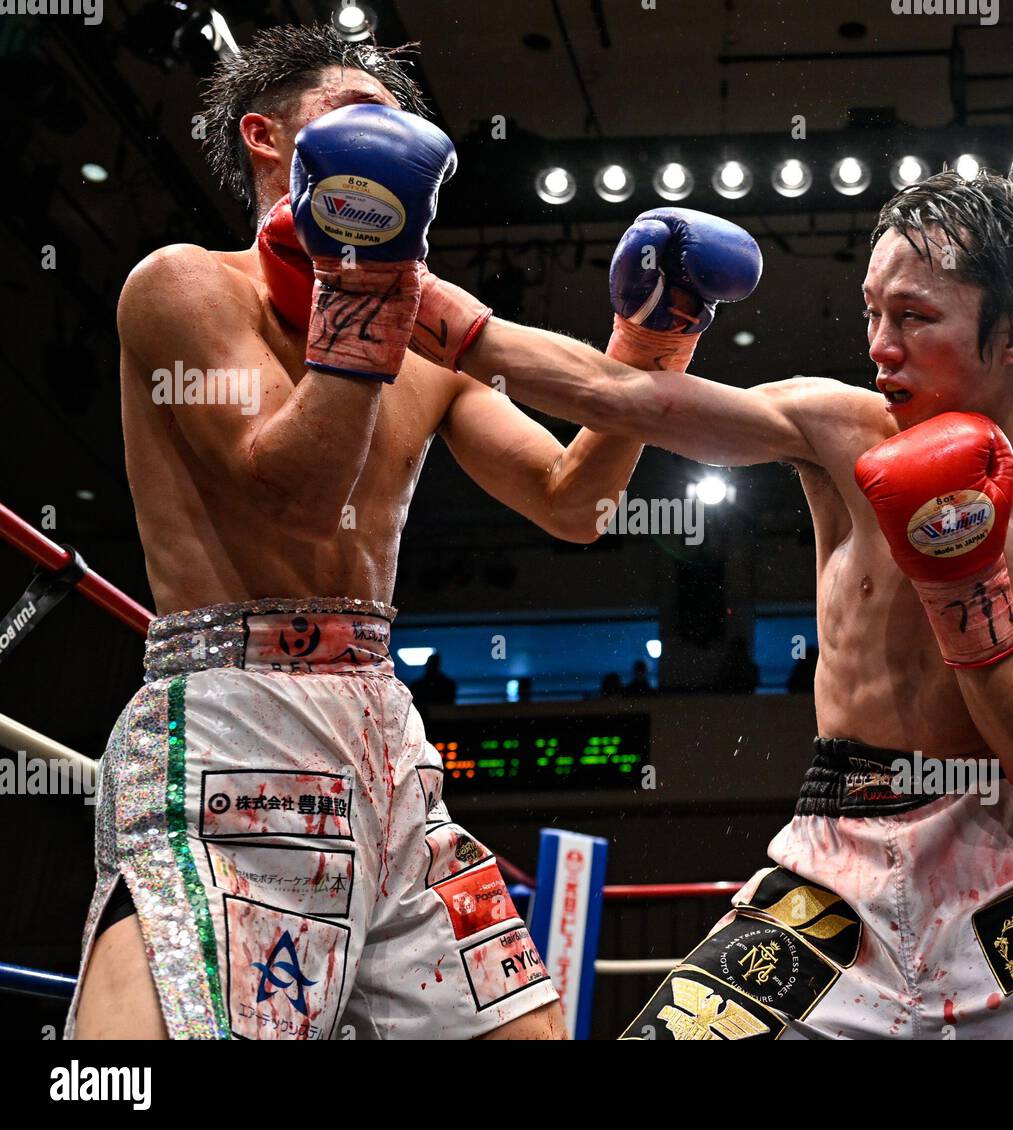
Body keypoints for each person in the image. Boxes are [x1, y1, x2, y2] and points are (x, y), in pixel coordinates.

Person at [440, 171, 1013, 1039]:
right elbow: (622, 396)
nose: (881, 346)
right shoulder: (836, 425)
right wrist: (434, 310)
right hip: (831, 879)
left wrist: (961, 581)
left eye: (915, 317)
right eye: (872, 313)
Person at [67, 24, 675, 1041]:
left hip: (388, 745)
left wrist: (650, 346)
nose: (382, 142)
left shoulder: (425, 343)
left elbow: (576, 502)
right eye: (354, 115)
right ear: (267, 137)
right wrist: (360, 295)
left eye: (396, 127)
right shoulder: (183, 285)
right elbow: (292, 490)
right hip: (228, 722)